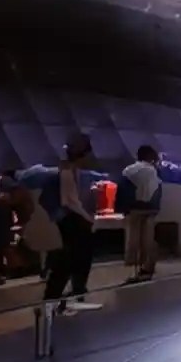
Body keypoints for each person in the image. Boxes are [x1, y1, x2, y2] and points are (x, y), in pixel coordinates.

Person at [42, 132, 105, 314]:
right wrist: (87, 217)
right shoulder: (67, 171)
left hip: (71, 219)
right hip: (69, 220)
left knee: (77, 259)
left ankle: (71, 296)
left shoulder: (70, 170)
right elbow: (68, 201)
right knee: (67, 261)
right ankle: (53, 301)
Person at [120, 145, 163, 283]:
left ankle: (134, 270)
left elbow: (123, 191)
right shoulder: (154, 171)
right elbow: (157, 191)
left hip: (134, 209)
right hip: (150, 209)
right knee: (148, 239)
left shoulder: (128, 171)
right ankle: (147, 268)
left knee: (133, 239)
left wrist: (123, 208)